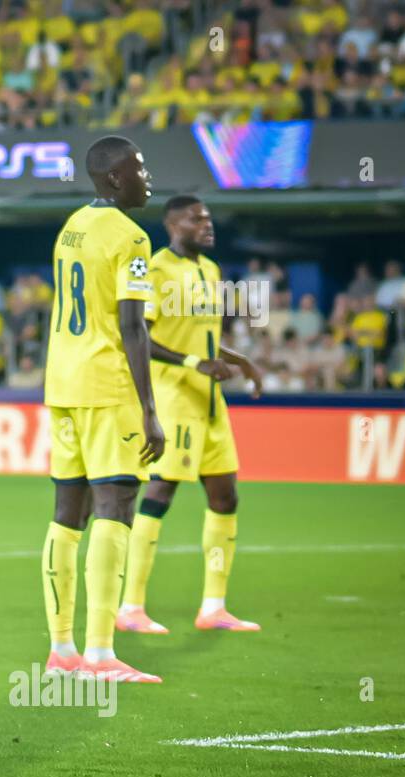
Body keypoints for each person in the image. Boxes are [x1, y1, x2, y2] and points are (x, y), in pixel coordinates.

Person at [41, 136, 165, 684]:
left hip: (61, 382)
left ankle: (62, 648)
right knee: (116, 505)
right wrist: (150, 409)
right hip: (105, 385)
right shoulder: (132, 238)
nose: (147, 178)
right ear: (114, 178)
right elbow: (132, 326)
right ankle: (100, 653)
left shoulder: (71, 226)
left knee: (67, 514)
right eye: (139, 169)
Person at [117, 196, 264, 634]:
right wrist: (192, 365)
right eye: (196, 219)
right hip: (174, 398)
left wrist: (238, 360)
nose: (207, 224)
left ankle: (214, 607)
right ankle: (130, 608)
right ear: (172, 224)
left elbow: (202, 339)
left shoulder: (211, 270)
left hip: (211, 403)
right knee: (160, 494)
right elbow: (141, 336)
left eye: (208, 218)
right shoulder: (156, 269)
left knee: (225, 496)